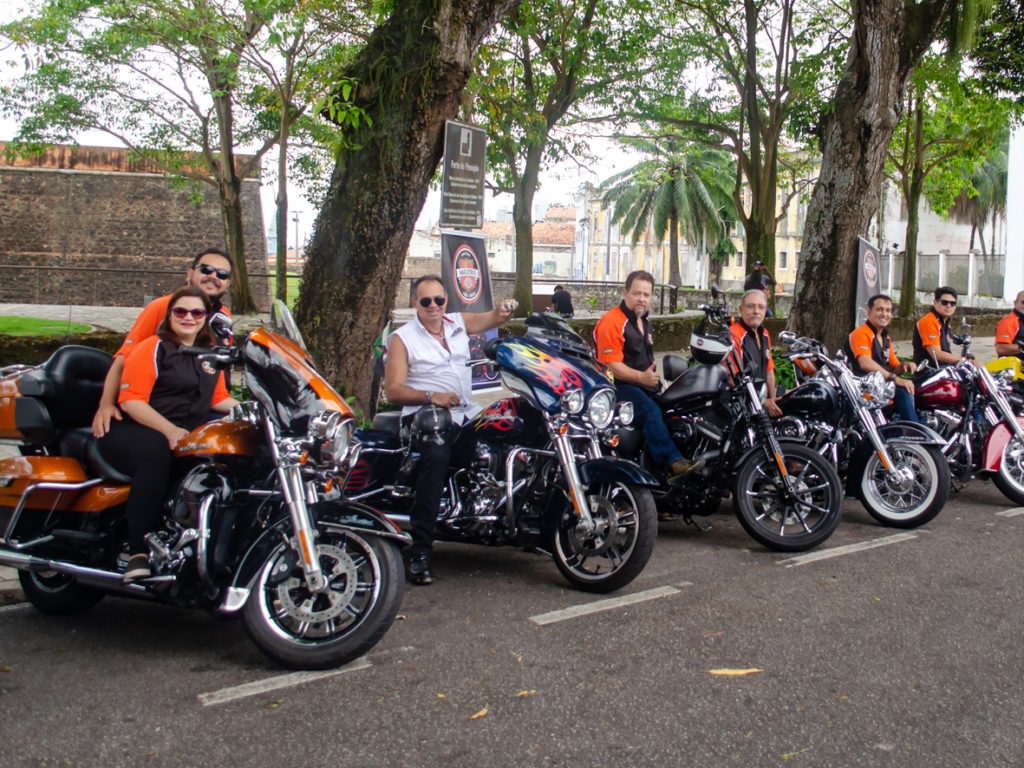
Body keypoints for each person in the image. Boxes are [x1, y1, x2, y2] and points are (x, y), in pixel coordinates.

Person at [97, 287, 239, 581]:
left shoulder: (210, 355)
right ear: (169, 315)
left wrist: (260, 408)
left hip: (180, 433)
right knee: (156, 454)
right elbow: (132, 400)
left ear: (206, 318)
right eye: (181, 311)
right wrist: (170, 429)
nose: (188, 317)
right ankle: (139, 551)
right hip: (134, 428)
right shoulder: (153, 347)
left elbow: (218, 399)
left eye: (197, 312)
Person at [384, 275, 516, 585]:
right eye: (426, 301)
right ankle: (420, 551)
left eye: (439, 300)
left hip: (463, 413)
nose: (433, 306)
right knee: (438, 454)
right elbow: (393, 391)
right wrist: (433, 396)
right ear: (414, 302)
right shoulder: (402, 338)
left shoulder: (457, 322)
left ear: (446, 301)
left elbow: (490, 319)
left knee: (503, 430)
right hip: (423, 418)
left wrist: (504, 310)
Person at [92, 247, 234, 437]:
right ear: (190, 273)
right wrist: (106, 404)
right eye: (206, 270)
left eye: (222, 274)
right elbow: (125, 356)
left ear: (228, 283)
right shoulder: (163, 307)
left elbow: (218, 369)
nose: (214, 277)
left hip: (201, 404)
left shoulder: (223, 317)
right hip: (163, 409)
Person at [594, 270, 694, 483]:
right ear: (625, 293)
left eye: (646, 295)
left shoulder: (644, 322)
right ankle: (672, 462)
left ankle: (664, 489)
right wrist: (642, 378)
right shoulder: (612, 321)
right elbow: (610, 365)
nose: (642, 299)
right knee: (650, 412)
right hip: (617, 387)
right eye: (637, 293)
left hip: (644, 386)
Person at [844, 293, 919, 423]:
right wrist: (895, 379)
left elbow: (894, 366)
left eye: (888, 310)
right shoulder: (861, 333)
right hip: (865, 391)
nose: (884, 314)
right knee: (904, 391)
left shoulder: (885, 337)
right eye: (879, 310)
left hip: (881, 388)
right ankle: (917, 432)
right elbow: (865, 363)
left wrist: (905, 366)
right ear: (869, 312)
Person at [730, 289, 781, 417]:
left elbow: (769, 371)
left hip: (760, 402)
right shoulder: (734, 335)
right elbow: (732, 378)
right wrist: (763, 401)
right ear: (741, 309)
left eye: (761, 307)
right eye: (750, 307)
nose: (756, 311)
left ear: (765, 311)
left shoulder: (764, 334)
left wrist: (772, 400)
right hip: (741, 404)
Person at [914, 286, 972, 368]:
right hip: (930, 371)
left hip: (943, 367)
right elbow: (937, 354)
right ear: (935, 302)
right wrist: (964, 360)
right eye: (944, 302)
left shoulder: (945, 323)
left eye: (952, 303)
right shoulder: (929, 321)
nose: (949, 306)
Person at [994, 290, 1024, 361]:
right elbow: (1001, 348)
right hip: (1013, 367)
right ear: (1015, 303)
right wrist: (1021, 347)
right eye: (1023, 302)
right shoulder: (1009, 321)